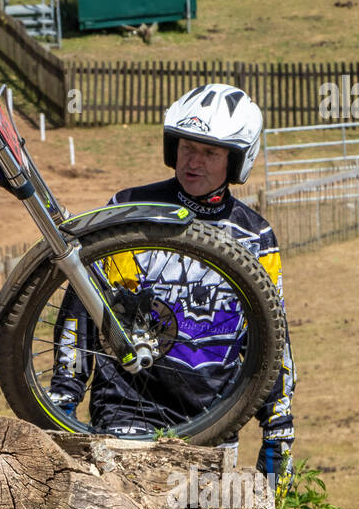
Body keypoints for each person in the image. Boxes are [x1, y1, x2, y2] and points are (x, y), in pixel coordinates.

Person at [47, 83, 296, 487]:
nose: (194, 162)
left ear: (236, 160)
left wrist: (278, 425)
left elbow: (273, 337)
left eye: (210, 153)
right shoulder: (128, 208)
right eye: (186, 147)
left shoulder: (255, 236)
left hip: (214, 418)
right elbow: (83, 307)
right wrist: (62, 400)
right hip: (127, 409)